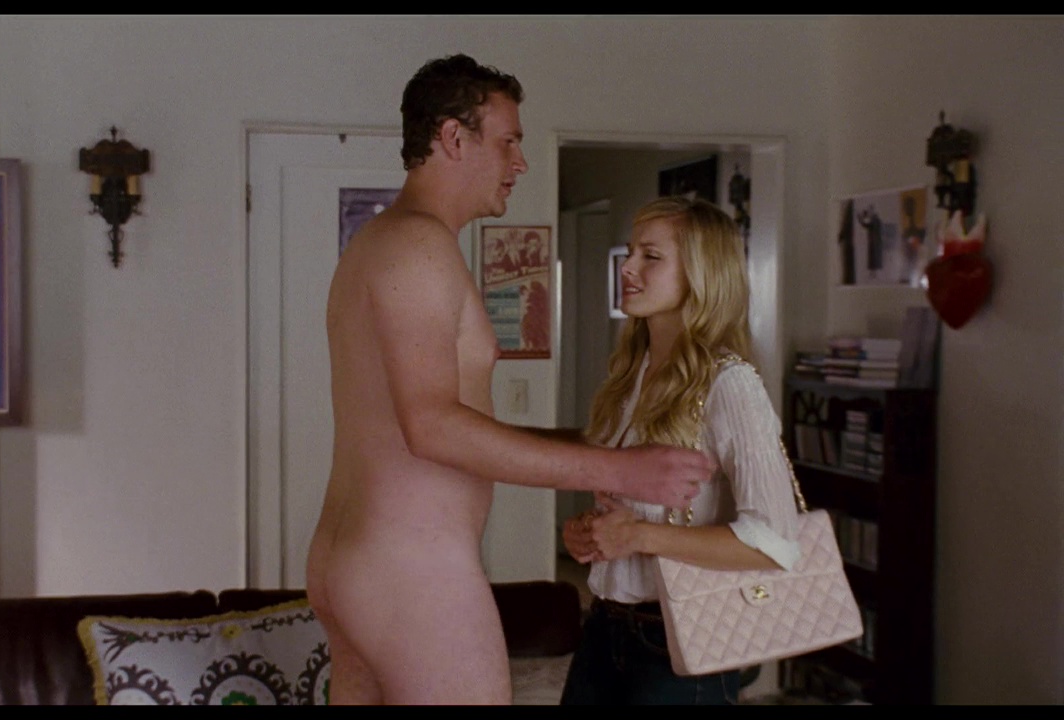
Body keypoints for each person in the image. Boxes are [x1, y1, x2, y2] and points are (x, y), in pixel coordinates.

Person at [304, 54, 716, 705]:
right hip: (410, 572)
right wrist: (620, 471)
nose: (520, 163)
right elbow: (432, 427)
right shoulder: (419, 248)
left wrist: (594, 445)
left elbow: (441, 418)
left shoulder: (380, 242)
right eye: (508, 142)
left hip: (354, 563)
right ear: (453, 137)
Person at [558, 196, 802, 705]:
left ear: (701, 274)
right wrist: (594, 532)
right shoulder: (630, 373)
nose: (628, 267)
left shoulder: (730, 383)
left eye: (651, 256)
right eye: (631, 252)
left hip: (682, 640)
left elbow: (774, 542)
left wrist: (639, 535)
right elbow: (633, 506)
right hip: (603, 627)